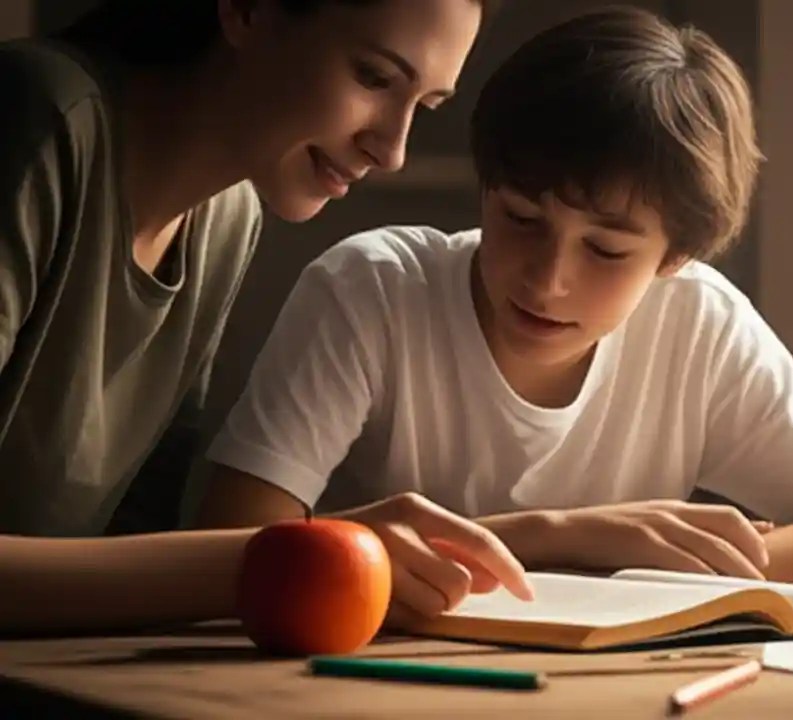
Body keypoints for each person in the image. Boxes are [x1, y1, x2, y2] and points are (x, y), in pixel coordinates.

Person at [197, 6, 793, 627]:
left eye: (608, 252)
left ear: (673, 259)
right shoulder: (377, 292)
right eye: (520, 219)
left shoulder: (698, 326)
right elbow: (224, 542)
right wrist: (561, 540)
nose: (548, 280)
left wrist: (659, 556)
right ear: (485, 190)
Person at [0, 0, 533, 636]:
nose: (391, 149)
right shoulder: (38, 117)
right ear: (249, 12)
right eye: (372, 77)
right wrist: (314, 561)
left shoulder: (226, 219)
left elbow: (135, 536)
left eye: (424, 107)